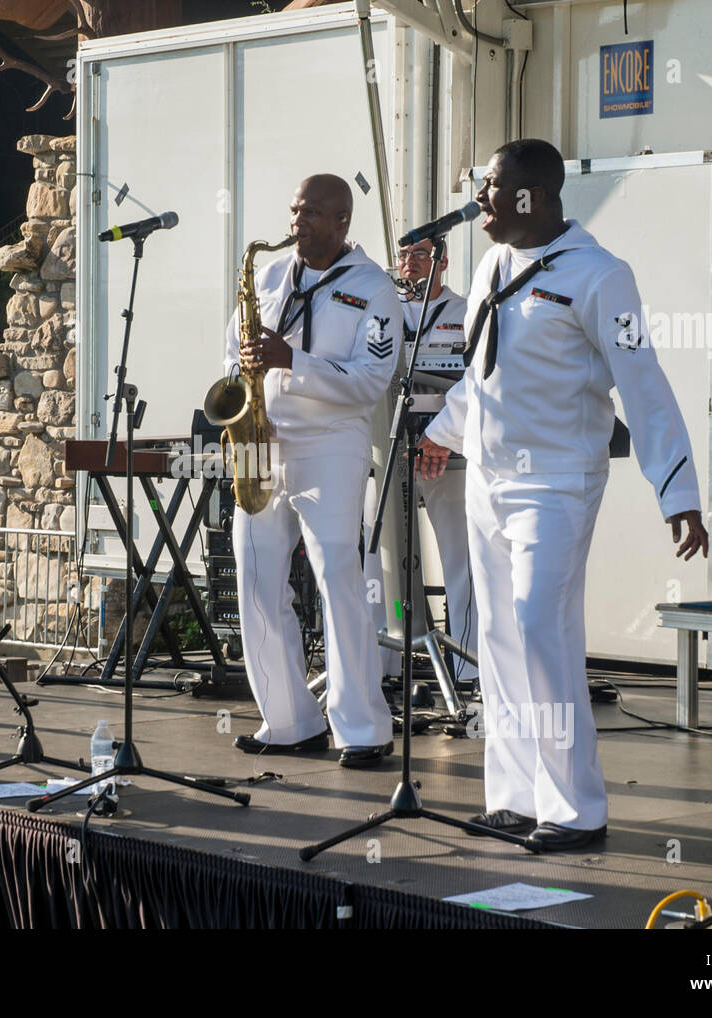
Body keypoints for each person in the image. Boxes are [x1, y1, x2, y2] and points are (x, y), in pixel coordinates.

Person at [418, 139, 709, 851]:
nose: (481, 199)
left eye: (495, 188)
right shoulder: (491, 264)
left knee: (541, 631)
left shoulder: (602, 277)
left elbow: (644, 384)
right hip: (487, 478)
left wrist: (678, 490)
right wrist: (442, 432)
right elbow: (483, 372)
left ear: (536, 199)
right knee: (497, 636)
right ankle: (516, 797)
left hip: (556, 482)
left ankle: (576, 807)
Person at [227, 173, 403, 768]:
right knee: (254, 580)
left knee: (337, 579)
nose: (297, 222)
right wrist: (245, 378)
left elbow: (370, 384)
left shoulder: (375, 290)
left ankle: (363, 727)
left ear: (342, 221)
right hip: (260, 440)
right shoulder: (270, 274)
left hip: (331, 442)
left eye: (311, 214)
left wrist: (293, 361)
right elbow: (235, 348)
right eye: (295, 210)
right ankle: (289, 721)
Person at [396, 236, 477, 688]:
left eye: (421, 253)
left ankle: (467, 667)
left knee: (461, 557)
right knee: (382, 563)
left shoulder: (465, 311)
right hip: (388, 450)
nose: (410, 262)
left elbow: (475, 381)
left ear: (443, 261)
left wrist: (443, 434)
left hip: (448, 451)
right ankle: (387, 664)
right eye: (404, 254)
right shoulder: (379, 308)